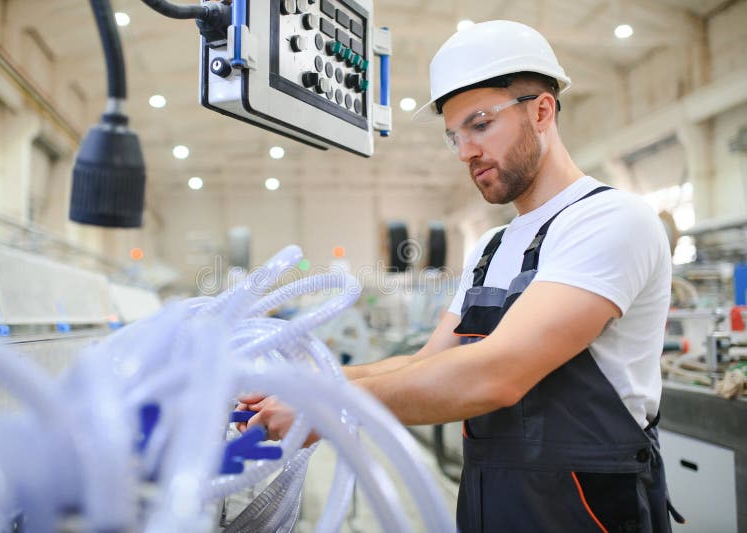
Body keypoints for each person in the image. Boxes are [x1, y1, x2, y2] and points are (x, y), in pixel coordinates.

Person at [238, 20, 684, 531]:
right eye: (454, 135)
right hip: (492, 501)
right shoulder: (493, 246)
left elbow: (499, 372)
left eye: (480, 124)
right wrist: (308, 383)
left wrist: (327, 407)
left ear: (541, 110)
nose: (466, 152)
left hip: (588, 508)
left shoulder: (609, 220)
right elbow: (429, 361)